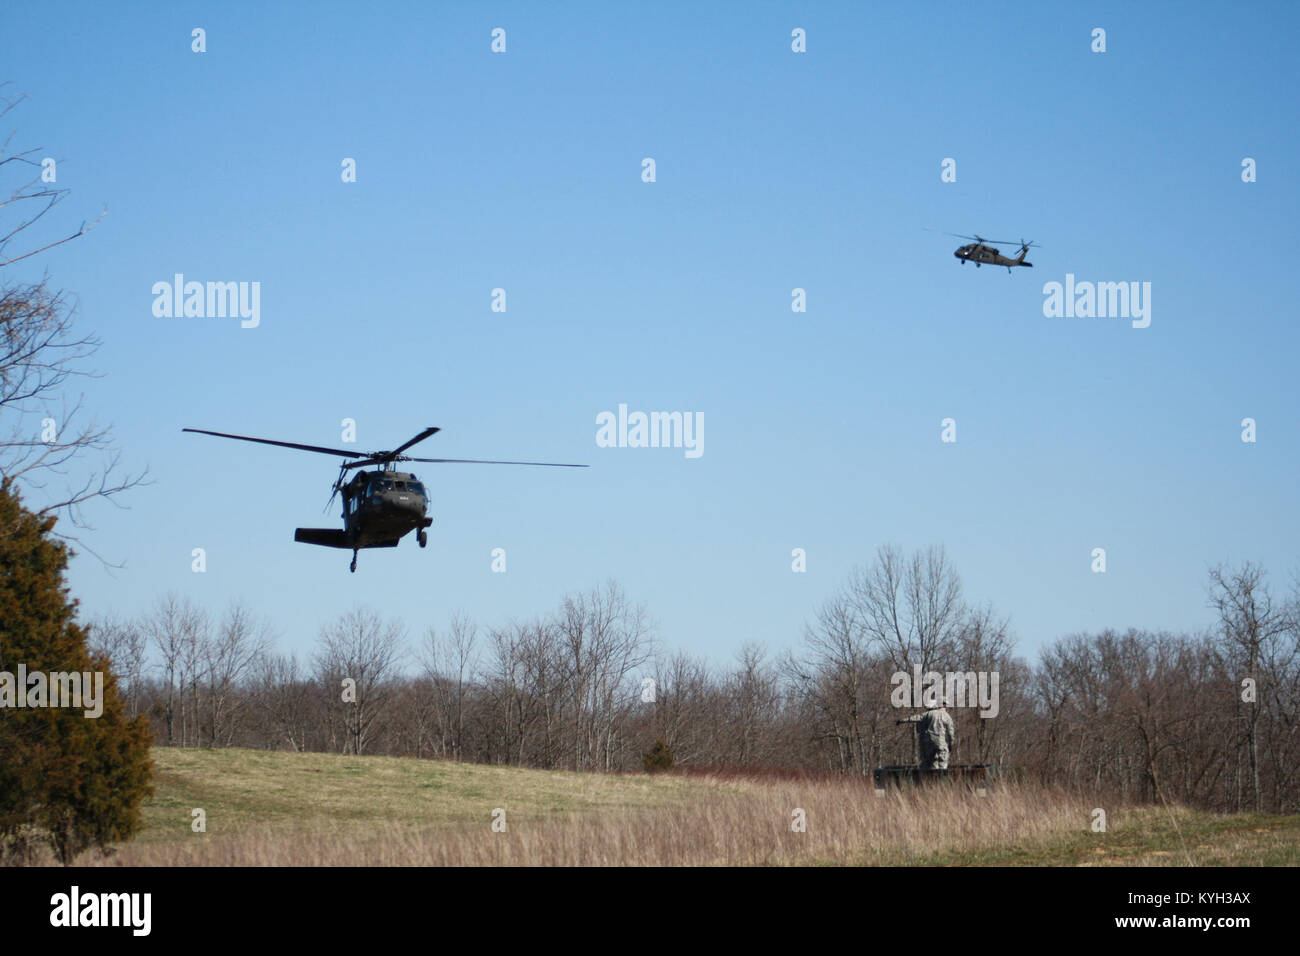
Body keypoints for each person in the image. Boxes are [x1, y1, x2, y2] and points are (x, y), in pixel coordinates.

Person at [899, 697, 956, 770]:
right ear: (944, 706)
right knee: (942, 763)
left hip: (927, 742)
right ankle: (940, 778)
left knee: (927, 763)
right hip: (940, 743)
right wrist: (950, 744)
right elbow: (951, 733)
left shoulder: (928, 714)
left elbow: (916, 717)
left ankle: (925, 778)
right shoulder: (947, 716)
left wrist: (902, 720)